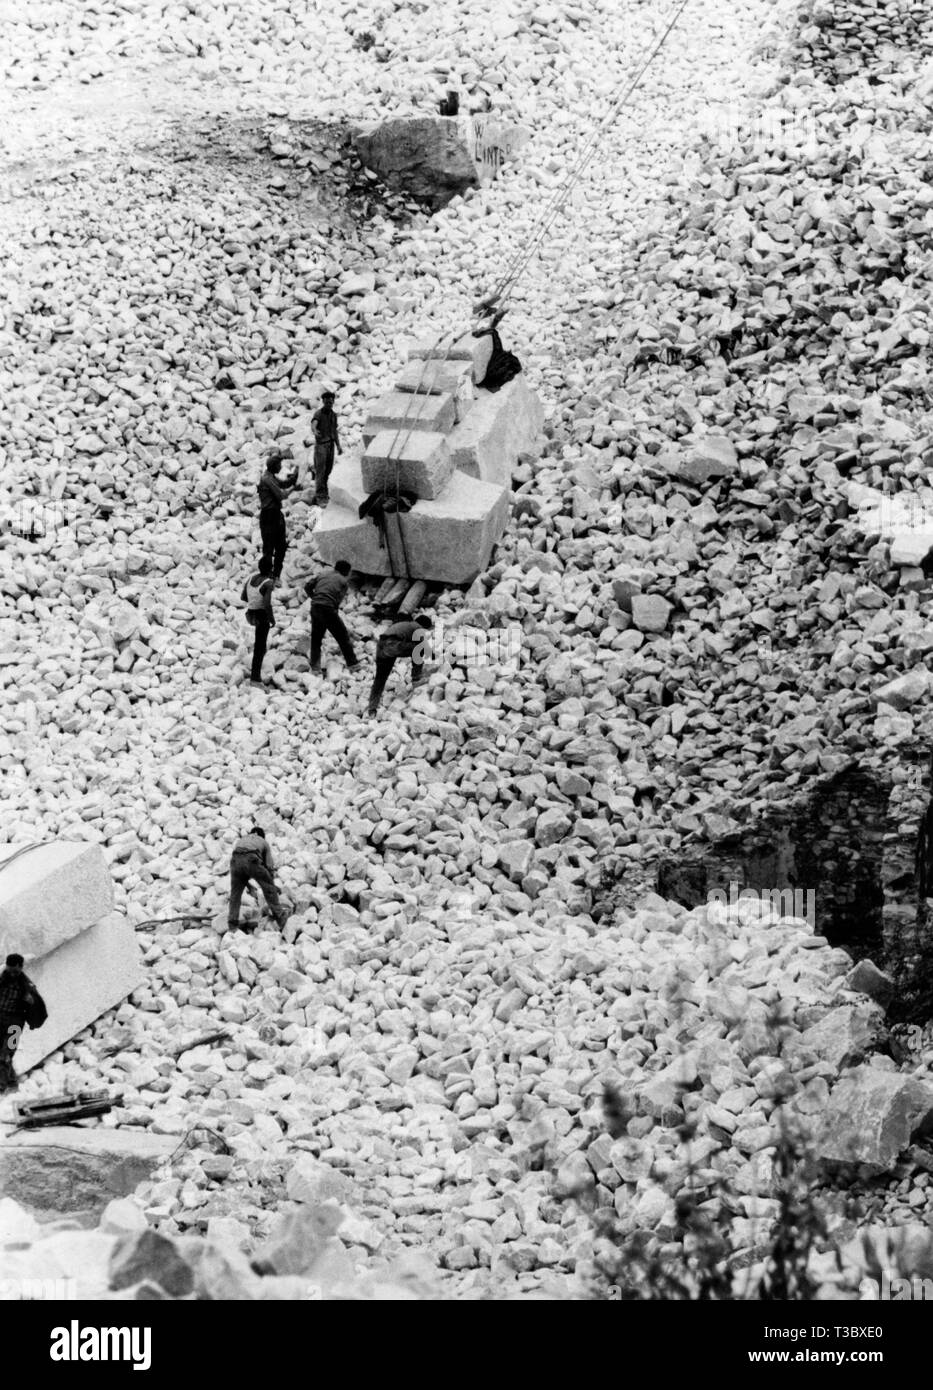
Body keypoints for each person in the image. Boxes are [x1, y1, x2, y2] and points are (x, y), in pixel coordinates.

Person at [367, 613, 433, 715]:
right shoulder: (416, 626)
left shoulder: (405, 625)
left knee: (380, 679)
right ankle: (416, 679)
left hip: (382, 646)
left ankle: (372, 709)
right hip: (392, 645)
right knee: (419, 647)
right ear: (423, 626)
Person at [227, 826, 289, 931]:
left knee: (235, 895)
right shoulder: (263, 842)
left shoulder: (241, 840)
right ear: (262, 836)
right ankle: (280, 917)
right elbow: (269, 866)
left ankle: (232, 926)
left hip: (235, 860)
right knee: (268, 888)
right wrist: (271, 885)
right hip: (252, 858)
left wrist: (249, 886)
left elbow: (240, 871)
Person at [0, 954, 45, 1094]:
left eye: (15, 971)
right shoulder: (1, 979)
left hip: (15, 1026)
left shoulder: (27, 986)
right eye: (10, 970)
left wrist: (31, 1002)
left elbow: (38, 1007)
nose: (12, 974)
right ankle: (13, 1083)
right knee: (2, 1056)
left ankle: (1, 1087)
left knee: (7, 1055)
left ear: (21, 967)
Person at [303, 560, 358, 673]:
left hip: (315, 607)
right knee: (342, 636)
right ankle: (353, 664)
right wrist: (333, 617)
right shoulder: (343, 582)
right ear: (345, 571)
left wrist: (314, 597)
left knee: (316, 638)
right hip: (328, 609)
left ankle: (315, 667)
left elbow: (307, 586)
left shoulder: (323, 574)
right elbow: (337, 602)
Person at [258, 451, 299, 582]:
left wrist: (293, 478)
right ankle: (269, 574)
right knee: (269, 547)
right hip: (269, 516)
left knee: (281, 546)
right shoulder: (267, 479)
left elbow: (283, 484)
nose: (281, 467)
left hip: (275, 514)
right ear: (274, 466)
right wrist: (294, 488)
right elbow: (281, 495)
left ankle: (276, 574)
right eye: (280, 464)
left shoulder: (270, 476)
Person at [241, 554, 275, 689]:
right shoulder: (268, 583)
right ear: (270, 568)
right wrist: (271, 619)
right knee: (260, 646)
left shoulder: (250, 579)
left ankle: (255, 675)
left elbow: (243, 597)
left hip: (251, 613)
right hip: (262, 615)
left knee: (259, 644)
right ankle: (255, 678)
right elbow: (267, 604)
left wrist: (254, 599)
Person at [472, 307, 522, 391]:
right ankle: (495, 320)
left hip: (488, 369)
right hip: (487, 371)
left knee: (493, 336)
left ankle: (495, 320)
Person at [311, 391, 341, 506]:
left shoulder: (333, 415)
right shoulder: (319, 413)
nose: (329, 403)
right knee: (320, 471)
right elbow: (314, 423)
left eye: (331, 401)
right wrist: (314, 430)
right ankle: (319, 496)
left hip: (331, 445)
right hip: (321, 446)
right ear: (323, 401)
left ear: (333, 402)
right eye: (327, 401)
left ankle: (325, 492)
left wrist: (338, 445)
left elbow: (335, 431)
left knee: (328, 470)